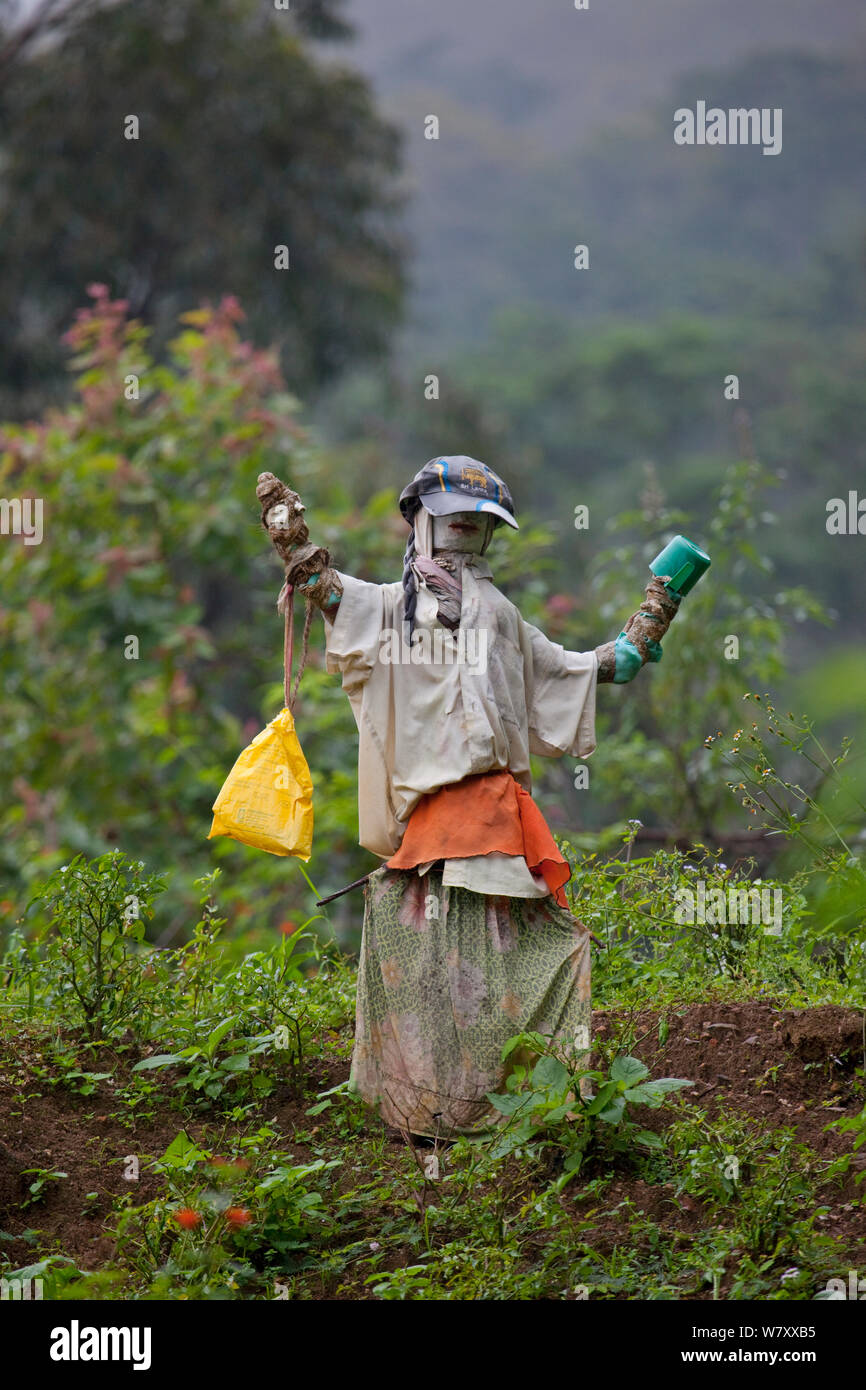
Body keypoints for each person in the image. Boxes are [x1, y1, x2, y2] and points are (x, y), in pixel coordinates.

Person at [256, 456, 680, 1138]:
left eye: (480, 524)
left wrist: (654, 612)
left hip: (498, 822)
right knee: (440, 981)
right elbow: (326, 591)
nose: (467, 534)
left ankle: (516, 1115)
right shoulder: (392, 607)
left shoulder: (502, 616)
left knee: (495, 973)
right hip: (430, 830)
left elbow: (590, 667)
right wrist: (295, 545)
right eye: (458, 520)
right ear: (423, 521)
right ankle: (443, 1116)